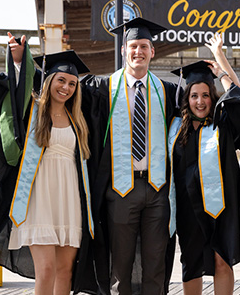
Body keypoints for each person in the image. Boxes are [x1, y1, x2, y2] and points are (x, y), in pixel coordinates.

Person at [0, 22, 99, 295]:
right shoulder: (32, 112)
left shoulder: (80, 119)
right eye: (61, 80)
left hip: (70, 200)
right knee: (47, 271)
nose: (66, 87)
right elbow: (3, 84)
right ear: (50, 80)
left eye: (72, 83)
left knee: (66, 271)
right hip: (39, 198)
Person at [79, 17, 180, 295]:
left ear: (153, 51)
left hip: (158, 190)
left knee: (156, 266)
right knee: (120, 268)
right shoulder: (102, 89)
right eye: (133, 46)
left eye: (144, 46)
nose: (139, 52)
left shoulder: (168, 92)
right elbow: (61, 93)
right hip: (121, 189)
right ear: (123, 50)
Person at [167, 34, 240, 295]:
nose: (200, 101)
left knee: (221, 260)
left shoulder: (223, 123)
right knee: (191, 262)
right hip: (188, 206)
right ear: (187, 98)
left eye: (206, 95)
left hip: (222, 206)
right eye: (194, 96)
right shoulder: (175, 128)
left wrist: (221, 65)